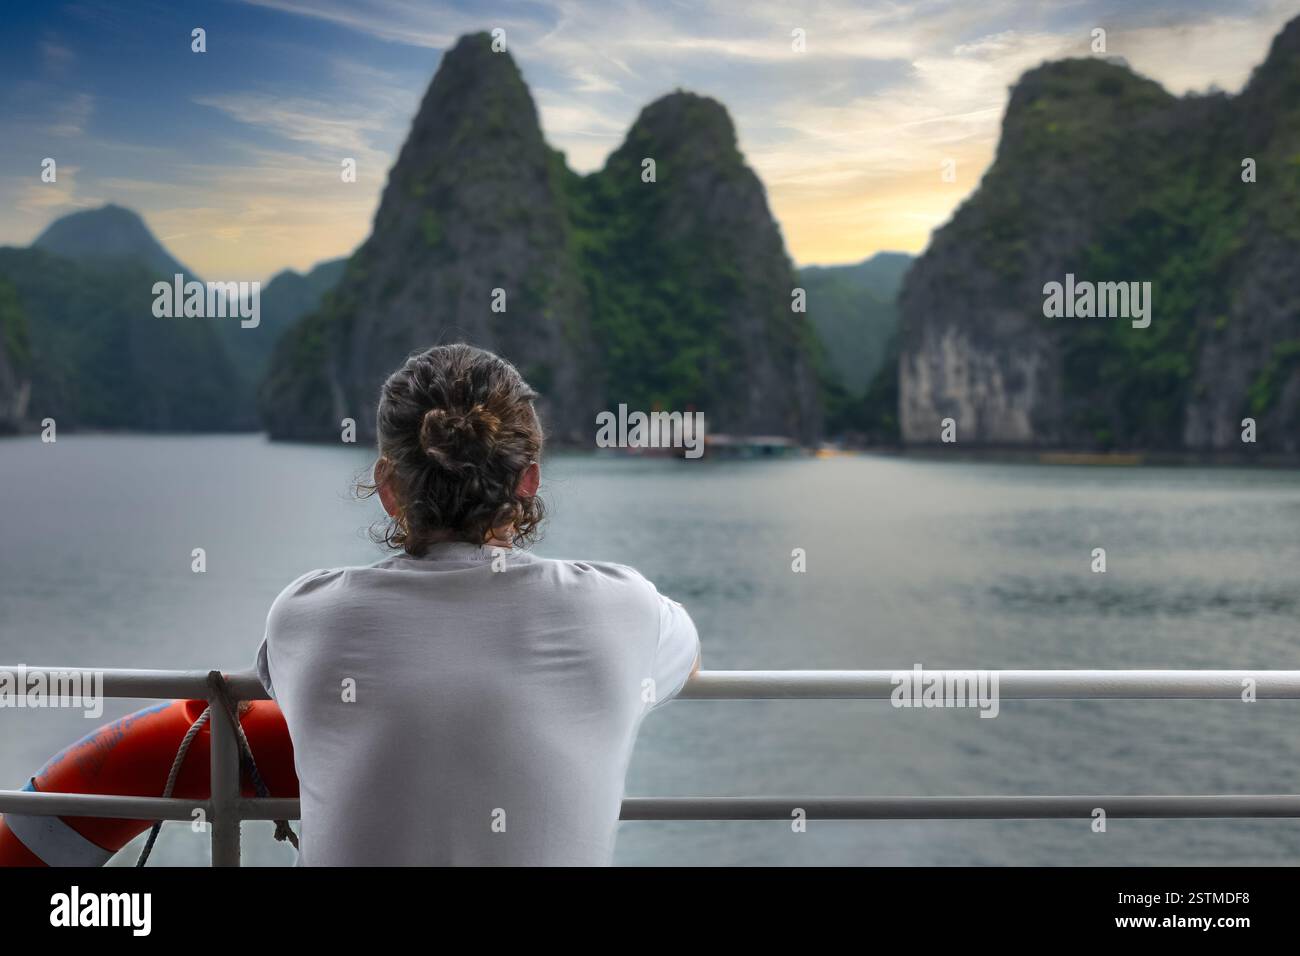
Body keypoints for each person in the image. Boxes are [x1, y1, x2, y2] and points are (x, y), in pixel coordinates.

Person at [255, 343, 701, 865]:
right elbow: (688, 659)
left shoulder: (304, 614)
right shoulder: (622, 607)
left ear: (387, 486)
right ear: (528, 482)